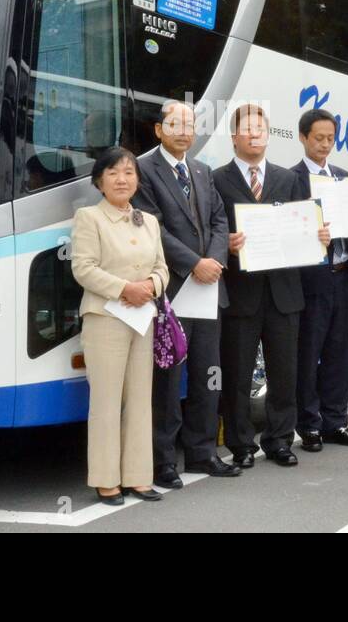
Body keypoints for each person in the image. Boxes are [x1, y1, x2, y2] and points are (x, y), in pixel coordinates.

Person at [132, 100, 240, 488]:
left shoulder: (201, 170)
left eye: (189, 125)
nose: (183, 131)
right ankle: (163, 462)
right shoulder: (143, 170)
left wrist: (213, 260)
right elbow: (152, 227)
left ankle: (203, 452)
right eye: (174, 124)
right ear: (159, 129)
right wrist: (194, 263)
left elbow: (218, 219)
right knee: (167, 381)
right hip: (171, 291)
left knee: (207, 376)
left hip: (209, 289)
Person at [213, 103, 326, 468]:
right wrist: (225, 245)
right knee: (237, 374)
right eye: (247, 128)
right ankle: (241, 444)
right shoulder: (216, 179)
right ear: (234, 137)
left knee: (284, 372)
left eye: (260, 128)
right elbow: (213, 230)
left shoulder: (286, 179)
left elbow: (301, 228)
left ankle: (279, 440)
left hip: (284, 293)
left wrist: (316, 235)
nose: (254, 134)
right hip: (240, 292)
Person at [70, 146, 169, 505]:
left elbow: (162, 268)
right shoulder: (89, 218)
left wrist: (151, 287)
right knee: (107, 401)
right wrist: (125, 289)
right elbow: (83, 268)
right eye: (113, 173)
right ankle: (106, 480)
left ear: (137, 180)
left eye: (129, 172)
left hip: (142, 318)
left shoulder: (149, 221)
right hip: (106, 318)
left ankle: (139, 478)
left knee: (141, 400)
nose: (122, 179)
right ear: (99, 181)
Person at [290, 108, 348, 450]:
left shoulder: (347, 178)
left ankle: (336, 422)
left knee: (339, 353)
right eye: (318, 138)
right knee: (308, 355)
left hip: (343, 276)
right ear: (303, 137)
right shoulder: (291, 179)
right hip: (310, 280)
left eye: (330, 138)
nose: (325, 145)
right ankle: (310, 426)